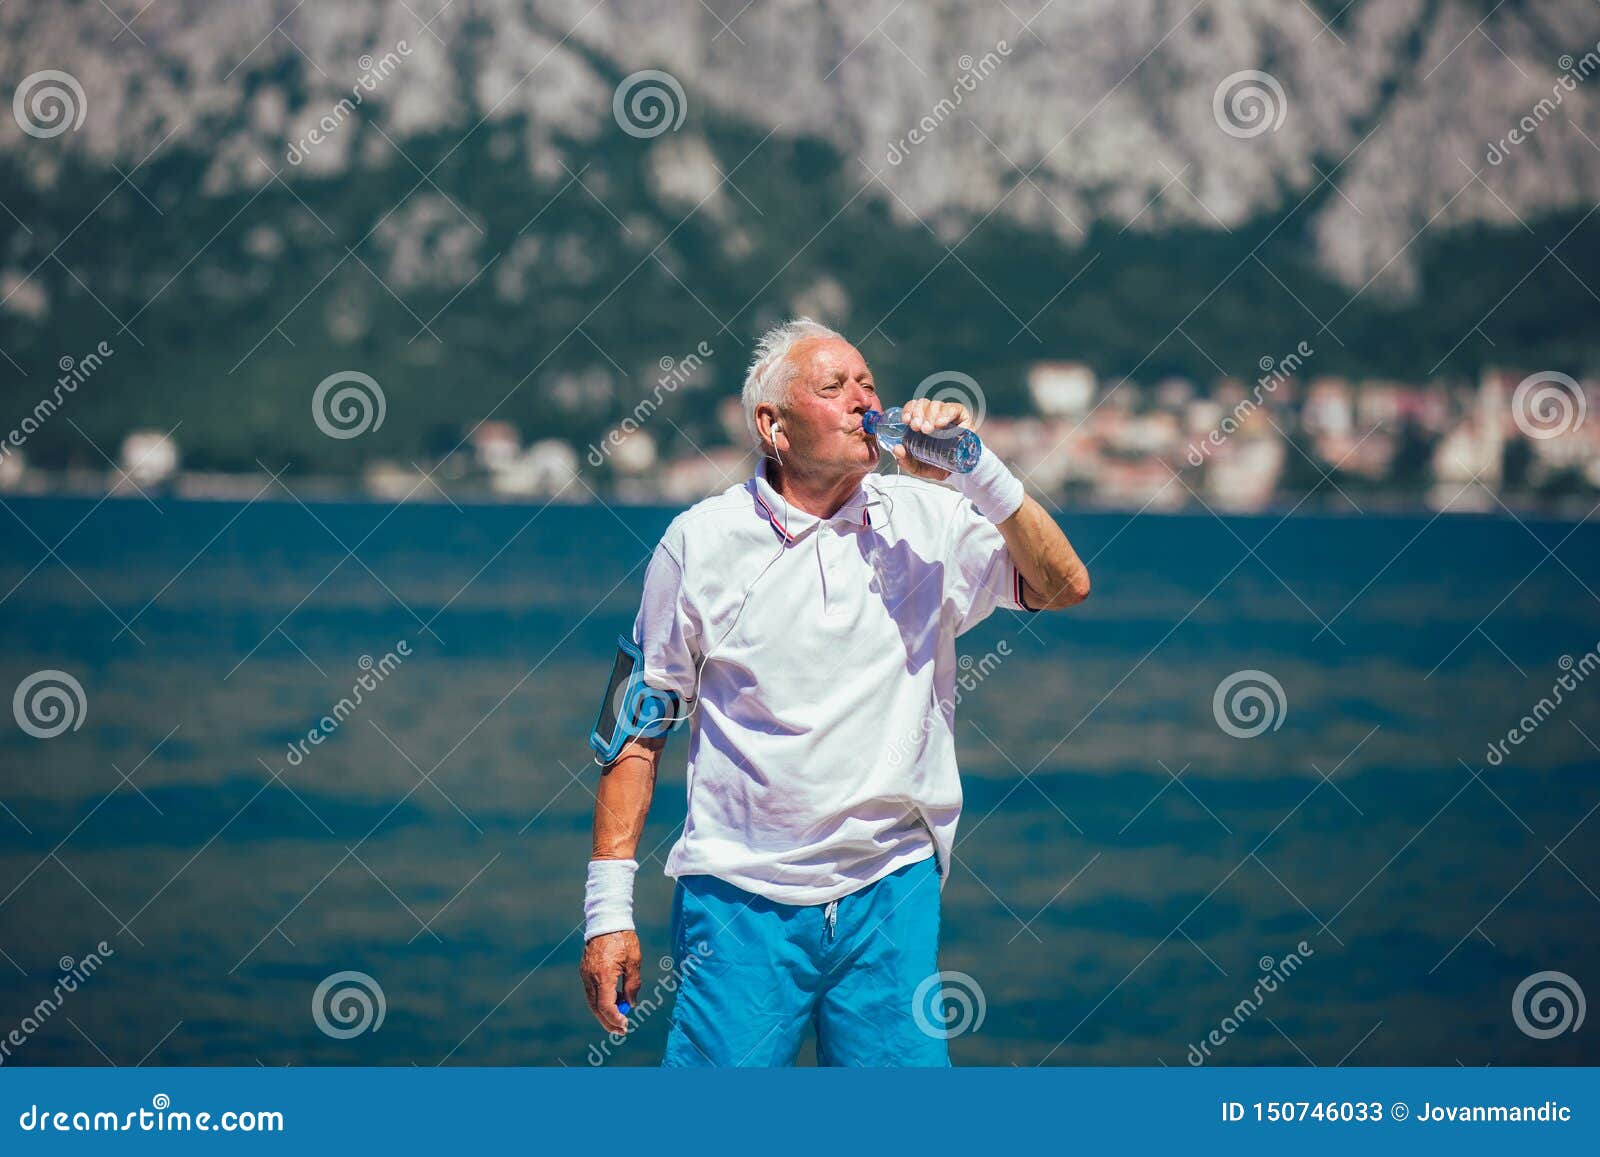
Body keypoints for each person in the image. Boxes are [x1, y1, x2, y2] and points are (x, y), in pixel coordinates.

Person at [578, 318, 1090, 1066]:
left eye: (869, 385)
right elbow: (637, 727)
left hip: (891, 891)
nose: (863, 400)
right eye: (833, 387)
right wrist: (607, 913)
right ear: (772, 425)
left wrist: (981, 471)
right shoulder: (699, 543)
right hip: (739, 902)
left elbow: (1065, 584)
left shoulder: (930, 520)